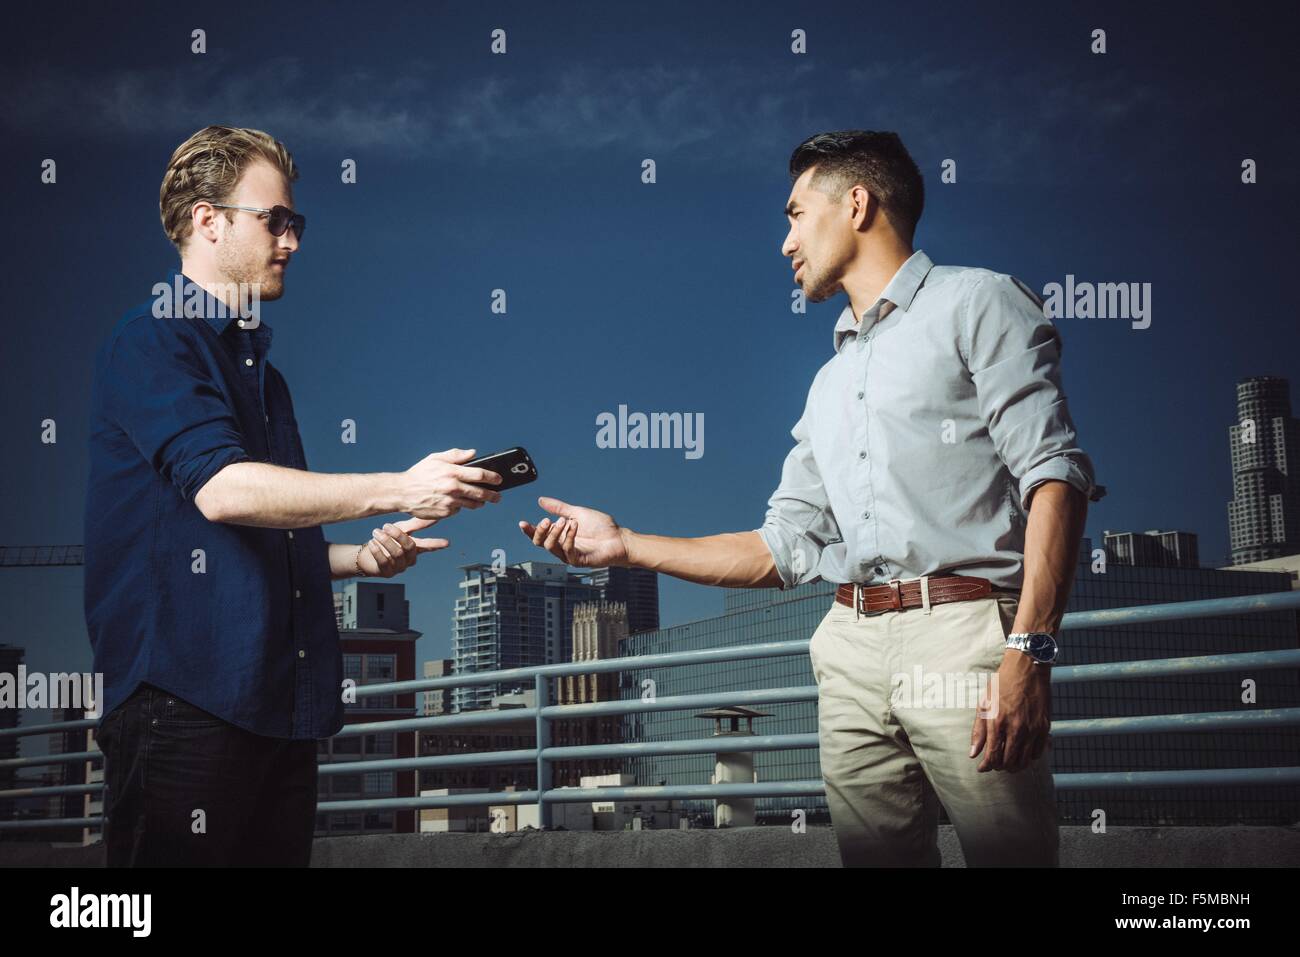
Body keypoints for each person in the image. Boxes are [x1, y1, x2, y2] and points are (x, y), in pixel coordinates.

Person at [520, 129, 1104, 867]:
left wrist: (1028, 652)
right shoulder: (827, 384)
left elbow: (1055, 475)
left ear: (857, 203)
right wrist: (626, 544)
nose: (785, 241)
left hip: (964, 636)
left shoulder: (977, 303)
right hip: (850, 645)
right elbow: (782, 546)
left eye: (797, 213)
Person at [84, 125, 504, 866]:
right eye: (274, 220)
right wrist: (399, 486)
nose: (293, 240)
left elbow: (263, 530)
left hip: (276, 710)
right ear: (207, 221)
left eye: (295, 222)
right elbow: (222, 492)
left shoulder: (263, 378)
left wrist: (354, 561)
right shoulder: (153, 340)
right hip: (185, 706)